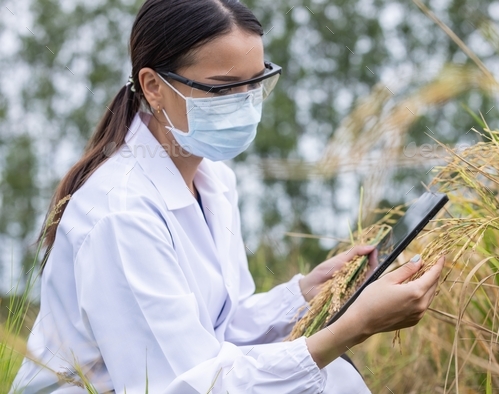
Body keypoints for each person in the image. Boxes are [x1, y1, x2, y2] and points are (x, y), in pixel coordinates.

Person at [11, 0, 445, 393]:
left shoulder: (214, 180)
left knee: (335, 378)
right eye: (221, 88)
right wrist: (352, 327)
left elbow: (218, 328)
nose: (244, 103)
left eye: (255, 83)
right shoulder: (121, 213)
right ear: (154, 86)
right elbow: (179, 385)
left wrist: (302, 294)